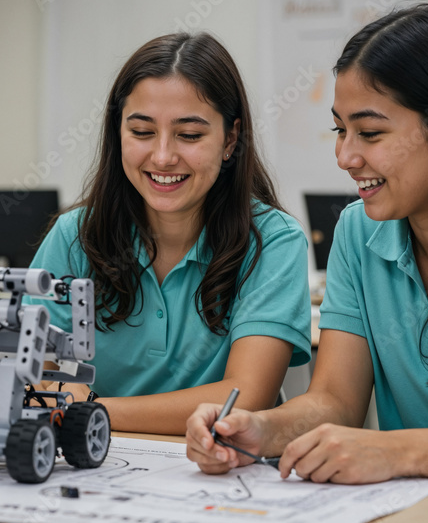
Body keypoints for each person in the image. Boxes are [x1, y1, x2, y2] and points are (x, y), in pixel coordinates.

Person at [186, 3, 428, 484]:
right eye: (340, 130)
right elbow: (336, 401)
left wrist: (395, 452)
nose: (345, 156)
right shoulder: (357, 231)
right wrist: (260, 429)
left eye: (370, 132)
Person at [30, 32, 312, 434]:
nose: (162, 156)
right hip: (96, 468)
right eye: (142, 132)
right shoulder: (75, 235)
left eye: (190, 135)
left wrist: (91, 411)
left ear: (230, 139)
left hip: (217, 473)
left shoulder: (272, 241)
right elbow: (34, 371)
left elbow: (246, 396)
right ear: (118, 133)